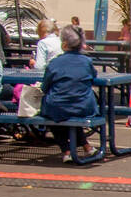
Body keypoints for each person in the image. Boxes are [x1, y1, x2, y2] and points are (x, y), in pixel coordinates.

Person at [40, 27, 100, 162]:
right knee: (71, 113)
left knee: (55, 114)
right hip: (83, 106)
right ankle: (86, 146)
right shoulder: (87, 61)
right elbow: (93, 76)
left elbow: (45, 86)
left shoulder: (54, 63)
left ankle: (66, 150)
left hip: (58, 107)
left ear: (64, 44)